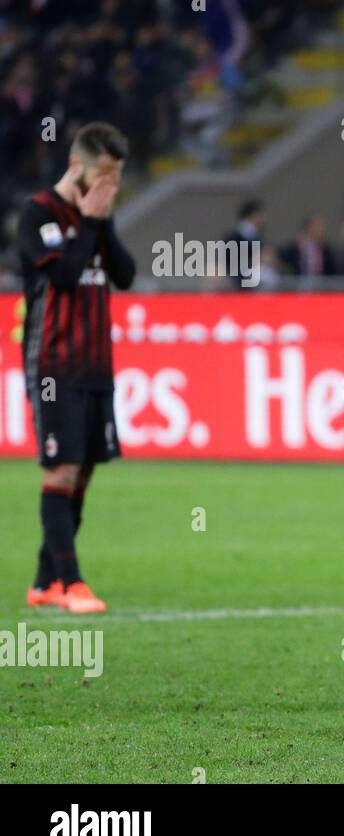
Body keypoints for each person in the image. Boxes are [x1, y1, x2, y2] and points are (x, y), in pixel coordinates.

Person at [19, 121, 136, 613]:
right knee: (62, 470)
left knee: (83, 472)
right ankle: (71, 583)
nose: (111, 184)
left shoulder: (97, 215)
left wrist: (102, 220)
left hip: (95, 364)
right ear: (76, 166)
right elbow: (65, 275)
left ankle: (45, 581)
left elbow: (125, 276)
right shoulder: (38, 214)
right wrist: (89, 222)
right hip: (54, 365)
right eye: (104, 174)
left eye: (117, 176)